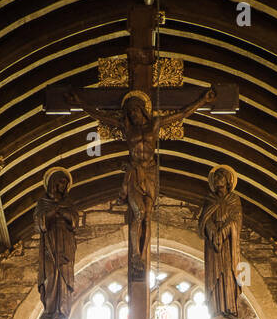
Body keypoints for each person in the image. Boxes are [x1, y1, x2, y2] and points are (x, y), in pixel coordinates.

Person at [68, 85, 216, 278]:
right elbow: (101, 117)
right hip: (135, 172)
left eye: (135, 111)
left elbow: (181, 114)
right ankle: (137, 256)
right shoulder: (127, 127)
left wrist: (203, 101)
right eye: (130, 112)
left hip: (151, 172)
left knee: (148, 216)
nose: (133, 115)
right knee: (138, 214)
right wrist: (80, 103)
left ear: (142, 110)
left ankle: (144, 254)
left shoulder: (154, 124)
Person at [34, 166, 80, 319]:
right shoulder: (43, 202)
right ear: (53, 183)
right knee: (51, 276)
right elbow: (40, 223)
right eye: (61, 182)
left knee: (64, 276)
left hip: (65, 245)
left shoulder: (68, 203)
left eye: (66, 183)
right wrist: (53, 212)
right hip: (50, 244)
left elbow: (74, 222)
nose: (64, 186)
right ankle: (51, 309)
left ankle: (62, 310)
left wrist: (63, 212)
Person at [198, 165, 242, 319]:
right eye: (215, 177)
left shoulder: (234, 200)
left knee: (228, 273)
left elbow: (236, 220)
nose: (217, 180)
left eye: (220, 177)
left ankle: (229, 306)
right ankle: (216, 307)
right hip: (213, 245)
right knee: (214, 274)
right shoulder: (209, 199)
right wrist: (213, 232)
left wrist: (222, 233)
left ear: (228, 180)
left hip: (228, 244)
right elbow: (204, 219)